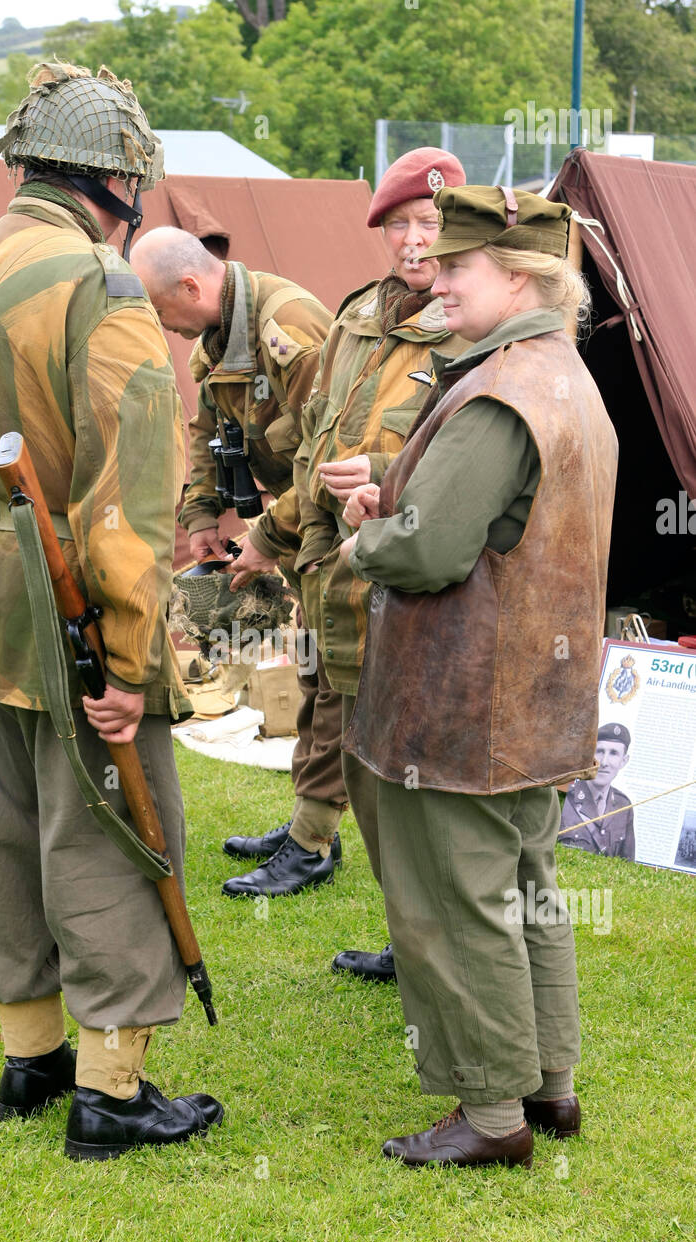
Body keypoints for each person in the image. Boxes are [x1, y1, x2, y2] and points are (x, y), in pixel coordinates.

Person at [0, 62, 222, 1161]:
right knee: (111, 835)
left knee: (7, 826)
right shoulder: (103, 283)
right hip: (73, 599)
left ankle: (29, 1056)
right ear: (119, 181)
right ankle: (110, 1093)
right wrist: (128, 662)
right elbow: (126, 500)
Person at [341, 185, 618, 1167]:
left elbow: (424, 554)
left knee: (453, 905)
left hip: (456, 705)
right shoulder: (565, 379)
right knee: (528, 891)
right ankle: (550, 1089)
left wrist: (363, 528)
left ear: (520, 278)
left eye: (456, 267)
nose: (435, 278)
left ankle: (489, 1117)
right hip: (532, 699)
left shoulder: (496, 391)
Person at [131, 227, 348, 898]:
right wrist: (201, 519)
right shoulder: (217, 338)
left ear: (192, 288)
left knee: (336, 681)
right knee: (313, 678)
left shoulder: (287, 327)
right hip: (297, 528)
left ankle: (311, 845)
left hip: (336, 527)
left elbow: (331, 452)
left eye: (163, 311)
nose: (165, 328)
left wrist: (266, 537)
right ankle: (311, 826)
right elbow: (205, 433)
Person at [294, 147, 468, 978]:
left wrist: (390, 484)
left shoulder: (472, 326)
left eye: (429, 224)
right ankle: (411, 940)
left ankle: (435, 946)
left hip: (416, 585)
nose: (412, 240)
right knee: (368, 775)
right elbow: (313, 438)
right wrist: (283, 539)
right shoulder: (359, 313)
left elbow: (472, 469)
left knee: (413, 776)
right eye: (398, 224)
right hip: (341, 576)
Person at [559, 723, 635, 859]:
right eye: (600, 751)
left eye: (613, 753)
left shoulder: (623, 806)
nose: (604, 762)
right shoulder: (564, 796)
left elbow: (627, 866)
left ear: (623, 761)